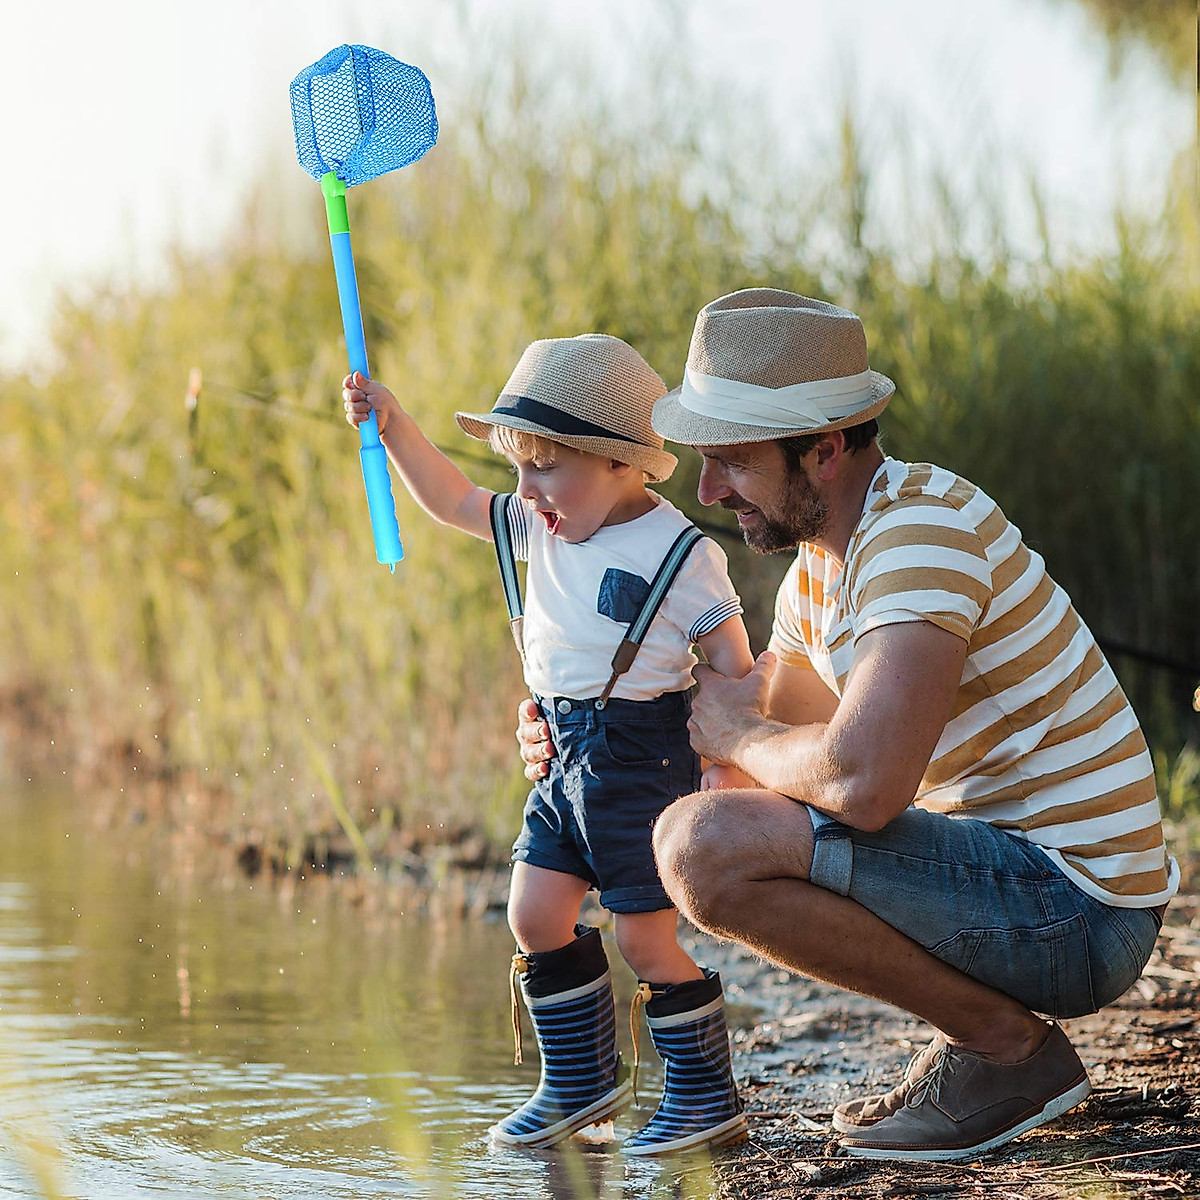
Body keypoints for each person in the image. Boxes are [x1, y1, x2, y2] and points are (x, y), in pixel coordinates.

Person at [518, 289, 1179, 1162]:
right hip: (1013, 878)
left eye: (734, 462)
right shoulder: (816, 577)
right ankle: (990, 1043)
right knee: (704, 835)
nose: (709, 489)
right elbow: (761, 780)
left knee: (699, 848)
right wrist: (582, 736)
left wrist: (737, 739)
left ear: (825, 449)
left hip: (1081, 911)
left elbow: (860, 784)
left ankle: (1006, 1050)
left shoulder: (918, 534)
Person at [342, 332, 755, 1156]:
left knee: (643, 937)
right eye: (517, 466)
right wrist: (391, 427)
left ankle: (707, 1096)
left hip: (646, 765)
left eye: (543, 465)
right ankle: (581, 1084)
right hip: (564, 761)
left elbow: (735, 676)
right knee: (532, 912)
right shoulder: (538, 527)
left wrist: (725, 776)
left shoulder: (681, 555)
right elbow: (455, 499)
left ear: (618, 463)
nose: (524, 489)